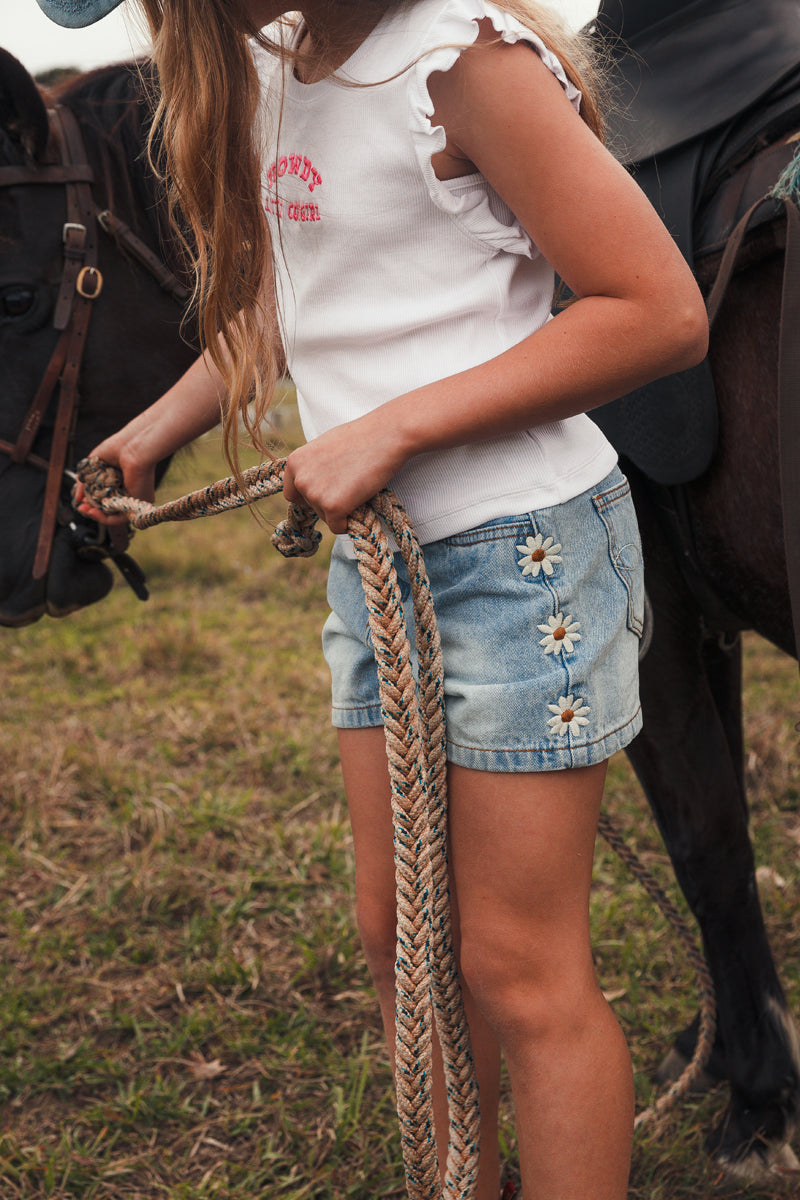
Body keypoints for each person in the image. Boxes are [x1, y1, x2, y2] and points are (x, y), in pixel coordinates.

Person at [38, 0, 709, 1195]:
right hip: (379, 561)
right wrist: (155, 431)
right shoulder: (264, 62)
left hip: (518, 557)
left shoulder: (463, 62)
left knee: (517, 967)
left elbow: (653, 310)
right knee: (400, 938)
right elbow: (286, 298)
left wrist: (390, 427)